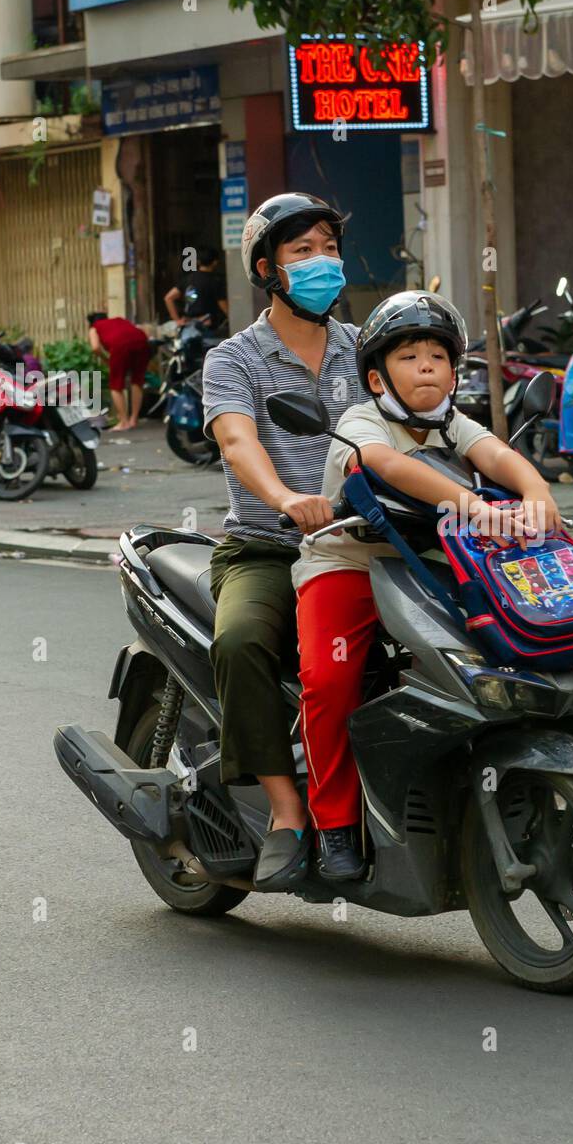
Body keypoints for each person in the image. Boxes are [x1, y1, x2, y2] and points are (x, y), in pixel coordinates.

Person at [290, 292, 563, 883]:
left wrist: (538, 492)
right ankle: (333, 824)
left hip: (426, 567)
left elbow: (494, 453)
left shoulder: (452, 422)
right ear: (376, 375)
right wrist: (471, 504)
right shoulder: (363, 420)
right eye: (410, 356)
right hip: (347, 564)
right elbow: (388, 466)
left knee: (489, 666)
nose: (426, 367)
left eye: (437, 356)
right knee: (329, 681)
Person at [203, 192, 361, 891]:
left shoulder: (367, 347)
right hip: (268, 548)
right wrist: (287, 500)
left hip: (364, 544)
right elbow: (238, 442)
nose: (322, 261)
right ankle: (288, 813)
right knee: (239, 642)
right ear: (267, 268)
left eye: (329, 246)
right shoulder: (233, 359)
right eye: (304, 252)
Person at [86, 311, 149, 431]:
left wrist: (106, 359)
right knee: (137, 380)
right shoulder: (119, 320)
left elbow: (95, 348)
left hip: (120, 346)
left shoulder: (94, 327)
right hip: (141, 342)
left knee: (116, 385)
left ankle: (124, 422)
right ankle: (134, 419)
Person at [165, 245, 228, 333]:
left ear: (198, 262)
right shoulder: (216, 281)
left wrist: (177, 321)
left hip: (188, 326)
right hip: (208, 328)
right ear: (215, 262)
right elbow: (223, 306)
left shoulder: (188, 279)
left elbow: (169, 298)